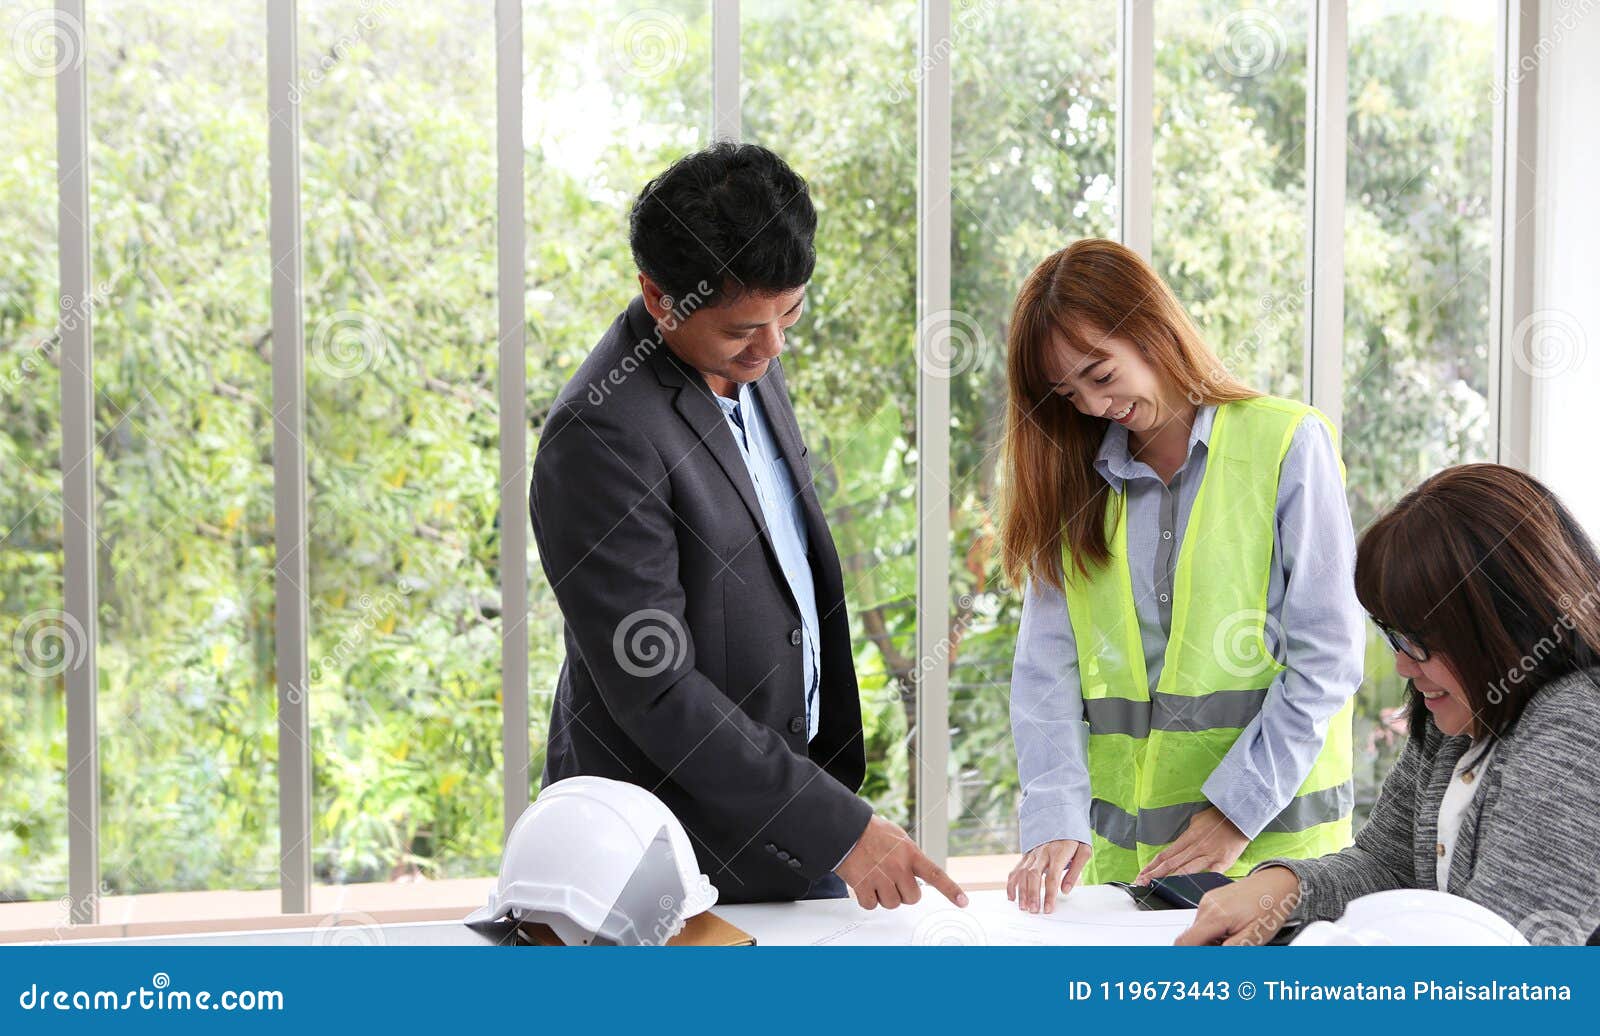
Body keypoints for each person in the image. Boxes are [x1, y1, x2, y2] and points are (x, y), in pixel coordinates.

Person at [530, 141, 967, 910]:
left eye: (790, 313)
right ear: (660, 297)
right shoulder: (600, 435)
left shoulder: (747, 351)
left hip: (779, 841)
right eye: (743, 331)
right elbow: (656, 690)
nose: (773, 347)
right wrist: (840, 828)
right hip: (668, 864)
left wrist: (821, 817)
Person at [1000, 238, 1365, 913]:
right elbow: (1044, 670)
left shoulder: (1287, 444)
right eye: (1067, 392)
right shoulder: (1069, 484)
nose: (1091, 405)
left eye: (1100, 375)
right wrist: (1052, 814)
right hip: (1128, 875)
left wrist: (1236, 813)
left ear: (1150, 329)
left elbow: (1328, 658)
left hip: (1277, 859)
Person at [1177, 464, 1600, 945]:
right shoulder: (1463, 713)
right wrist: (1284, 887)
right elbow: (1389, 864)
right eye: (1393, 635)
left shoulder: (1579, 726)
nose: (1402, 665)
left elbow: (1496, 966)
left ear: (1503, 624)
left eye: (1419, 640)